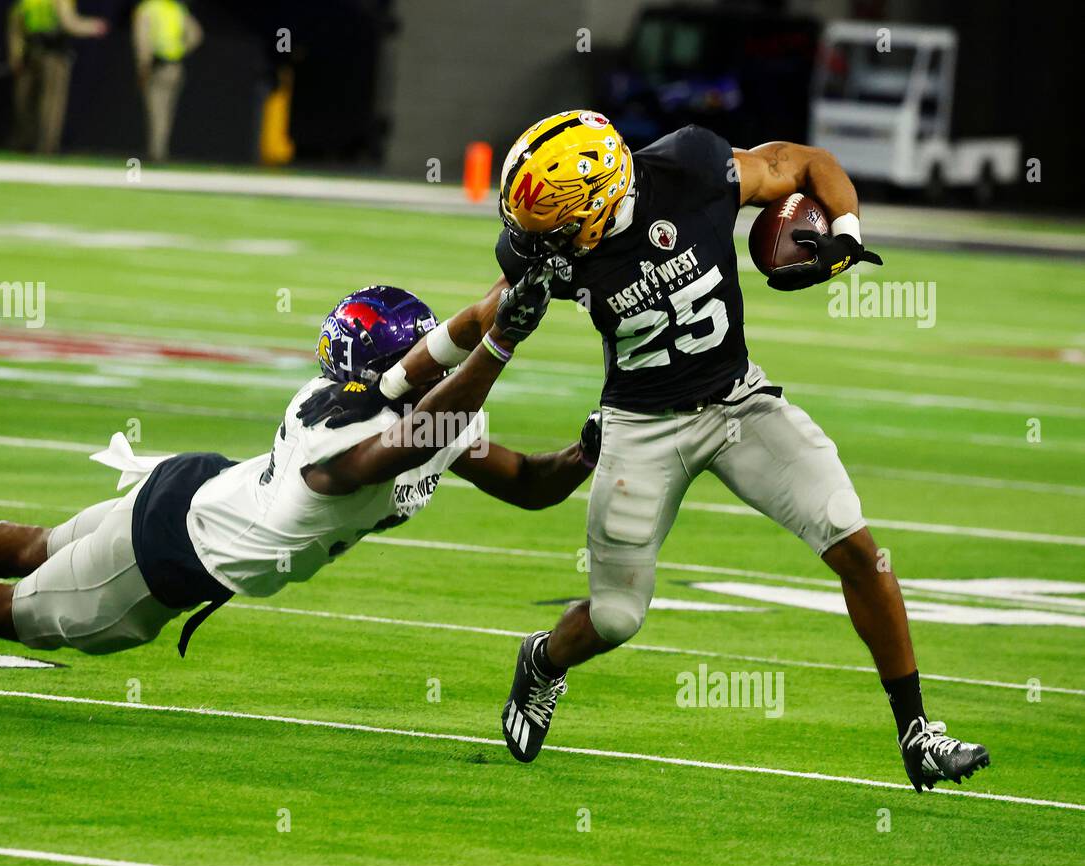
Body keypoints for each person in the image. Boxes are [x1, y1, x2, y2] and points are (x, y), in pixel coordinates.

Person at [296, 110, 989, 794]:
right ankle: (543, 662)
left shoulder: (691, 170)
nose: (535, 242)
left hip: (738, 404)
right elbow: (481, 317)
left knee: (855, 545)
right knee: (616, 617)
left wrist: (844, 233)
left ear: (595, 203)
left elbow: (805, 164)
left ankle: (917, 731)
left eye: (552, 228)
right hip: (639, 426)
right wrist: (394, 382)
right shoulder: (555, 250)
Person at [0, 275, 600, 687]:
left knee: (32, 548)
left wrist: (583, 444)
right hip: (178, 552)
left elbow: (525, 480)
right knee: (18, 612)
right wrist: (499, 347)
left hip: (194, 490)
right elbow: (409, 440)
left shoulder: (402, 399)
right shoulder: (358, 427)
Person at [8, 0, 108, 154]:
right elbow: (68, 23)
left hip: (30, 53)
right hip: (53, 55)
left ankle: (24, 143)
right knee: (52, 103)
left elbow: (15, 28)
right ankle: (46, 146)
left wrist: (15, 56)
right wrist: (94, 27)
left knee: (27, 101)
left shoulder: (27, 2)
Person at [132, 0, 203, 163]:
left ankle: (157, 153)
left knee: (156, 111)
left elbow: (142, 41)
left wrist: (143, 66)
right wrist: (179, 51)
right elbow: (196, 35)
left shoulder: (148, 8)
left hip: (156, 66)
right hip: (175, 66)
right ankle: (160, 150)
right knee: (167, 112)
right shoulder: (176, 8)